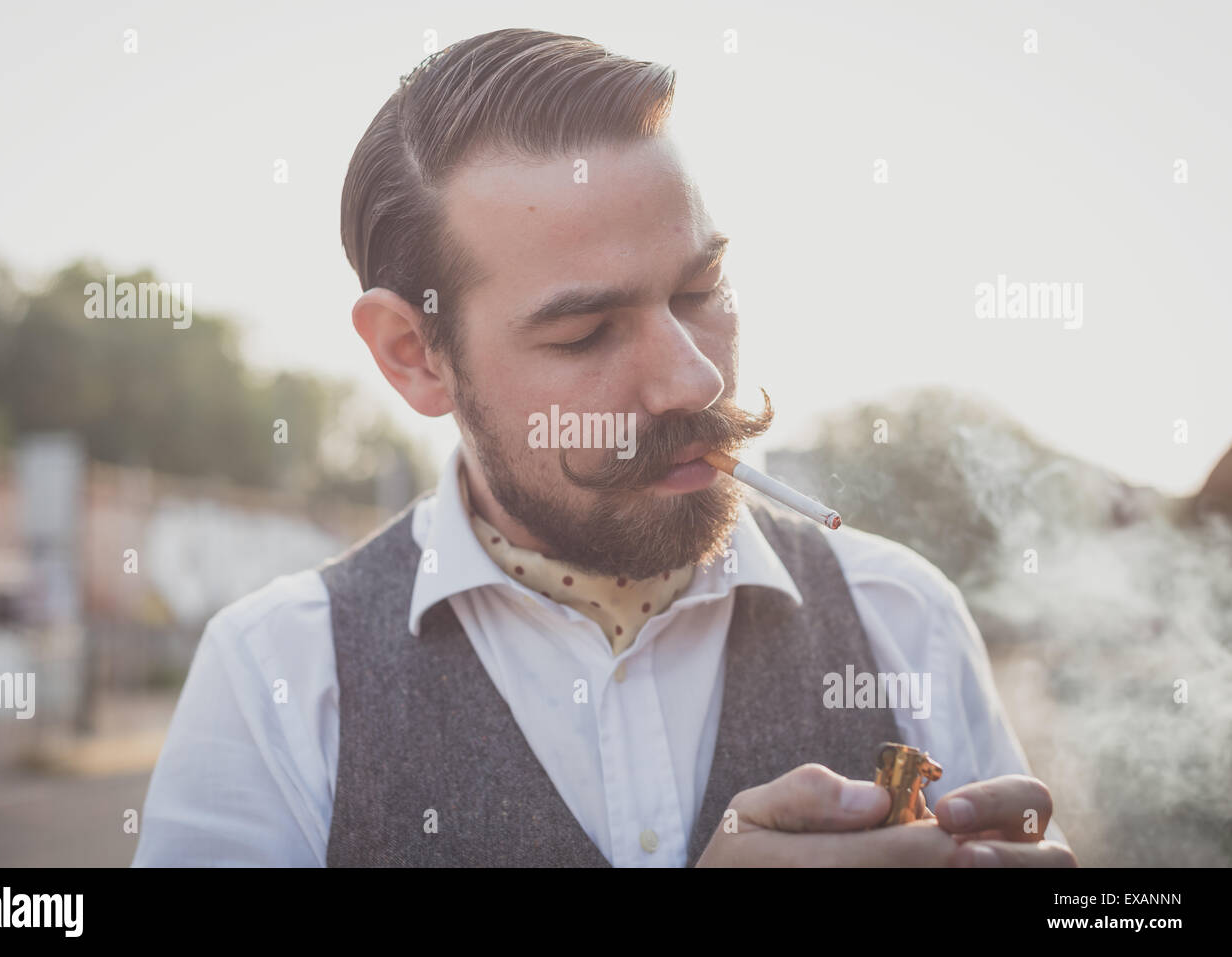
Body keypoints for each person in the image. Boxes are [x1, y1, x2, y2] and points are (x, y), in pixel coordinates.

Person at [133, 27, 1075, 868]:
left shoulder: (901, 617)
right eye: (585, 333)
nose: (693, 382)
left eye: (700, 290)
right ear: (416, 357)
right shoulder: (281, 676)